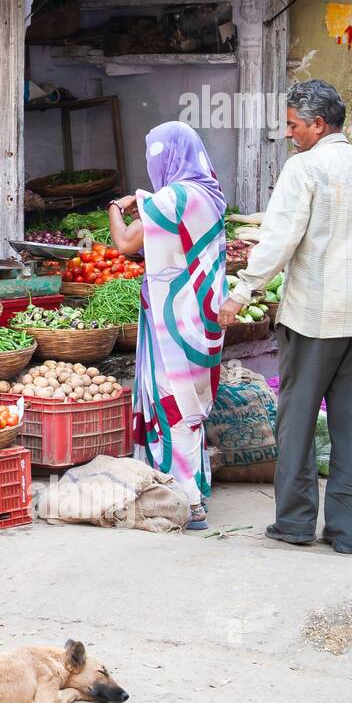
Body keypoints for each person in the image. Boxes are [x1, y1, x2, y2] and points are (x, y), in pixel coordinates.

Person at [219, 80, 352, 555]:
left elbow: (279, 240)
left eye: (293, 125)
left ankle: (295, 523)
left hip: (313, 322)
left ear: (318, 125)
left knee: (298, 424)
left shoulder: (304, 169)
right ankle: (348, 533)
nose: (289, 134)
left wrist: (242, 292)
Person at [108, 121, 228, 530]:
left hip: (173, 321)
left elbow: (125, 244)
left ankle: (186, 501)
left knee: (172, 404)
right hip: (204, 318)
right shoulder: (210, 194)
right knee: (191, 405)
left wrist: (116, 208)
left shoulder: (172, 198)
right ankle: (196, 487)